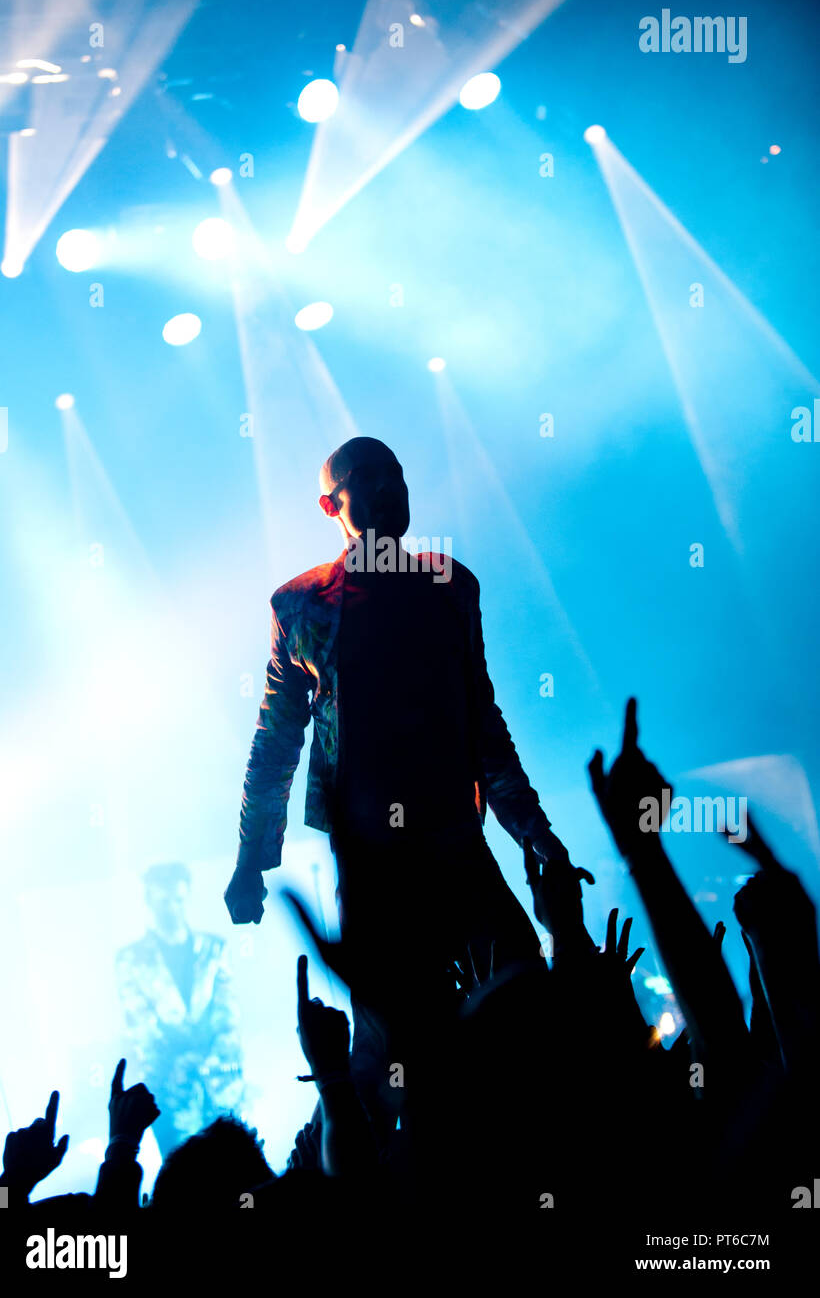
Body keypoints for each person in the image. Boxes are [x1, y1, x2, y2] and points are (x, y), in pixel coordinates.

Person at [224, 438, 586, 1115]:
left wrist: (536, 835)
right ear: (332, 503)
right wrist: (252, 857)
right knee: (404, 1055)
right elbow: (276, 739)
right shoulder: (301, 606)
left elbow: (483, 722)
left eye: (398, 473)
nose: (391, 487)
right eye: (372, 477)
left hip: (454, 841)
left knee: (523, 1017)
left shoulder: (451, 586)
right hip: (371, 864)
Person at [116, 862, 245, 1160]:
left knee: (237, 1174)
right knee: (185, 1187)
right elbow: (141, 1028)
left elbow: (228, 1015)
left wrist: (214, 1058)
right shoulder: (130, 961)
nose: (171, 909)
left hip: (221, 1084)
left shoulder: (214, 949)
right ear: (149, 902)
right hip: (171, 1094)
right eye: (163, 901)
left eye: (177, 900)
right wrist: (181, 1063)